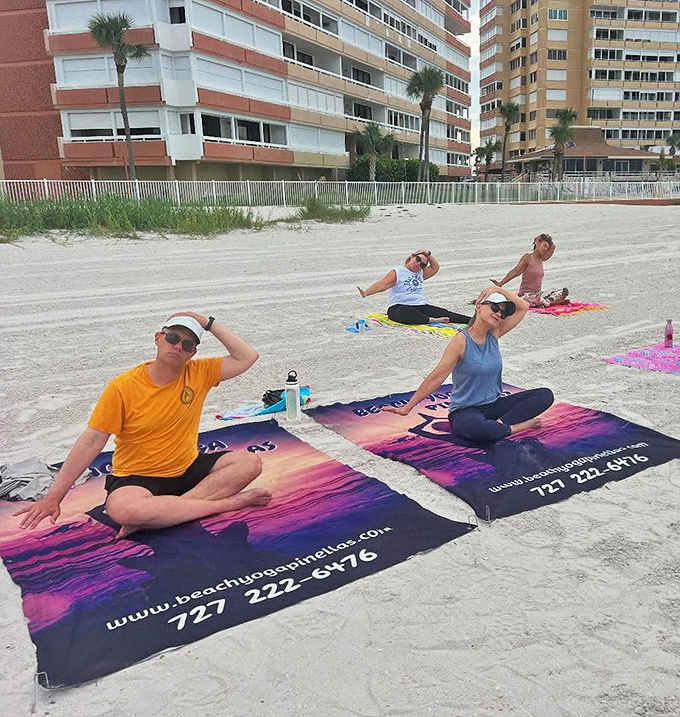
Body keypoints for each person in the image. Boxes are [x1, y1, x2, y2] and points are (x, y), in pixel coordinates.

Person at [15, 313, 272, 539]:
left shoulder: (199, 371)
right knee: (124, 509)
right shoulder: (123, 387)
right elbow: (92, 440)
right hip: (138, 478)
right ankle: (229, 504)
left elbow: (247, 356)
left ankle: (171, 512)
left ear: (193, 352)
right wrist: (54, 497)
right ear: (158, 338)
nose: (178, 347)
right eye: (172, 338)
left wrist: (206, 321)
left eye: (187, 344)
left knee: (250, 463)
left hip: (187, 468)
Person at [384, 287, 554, 443]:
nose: (498, 315)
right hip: (466, 410)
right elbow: (435, 378)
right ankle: (517, 427)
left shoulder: (494, 333)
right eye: (495, 308)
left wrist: (496, 289)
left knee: (545, 395)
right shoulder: (461, 341)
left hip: (495, 405)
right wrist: (408, 407)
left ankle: (500, 425)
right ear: (479, 306)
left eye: (502, 313)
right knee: (477, 429)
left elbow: (523, 306)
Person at [357, 250, 471, 325]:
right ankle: (431, 320)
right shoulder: (398, 271)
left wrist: (428, 254)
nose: (418, 264)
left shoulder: (420, 273)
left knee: (445, 312)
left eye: (422, 264)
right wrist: (366, 293)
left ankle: (473, 321)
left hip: (420, 305)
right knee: (404, 312)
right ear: (412, 257)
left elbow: (435, 267)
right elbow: (382, 284)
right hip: (399, 306)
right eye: (417, 259)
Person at [491, 233, 569, 308]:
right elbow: (515, 272)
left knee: (560, 291)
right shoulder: (528, 257)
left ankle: (546, 302)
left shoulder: (541, 259)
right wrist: (500, 284)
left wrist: (546, 239)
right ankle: (552, 302)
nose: (545, 249)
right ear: (537, 243)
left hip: (539, 294)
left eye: (547, 248)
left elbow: (553, 247)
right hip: (526, 295)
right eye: (544, 246)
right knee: (533, 298)